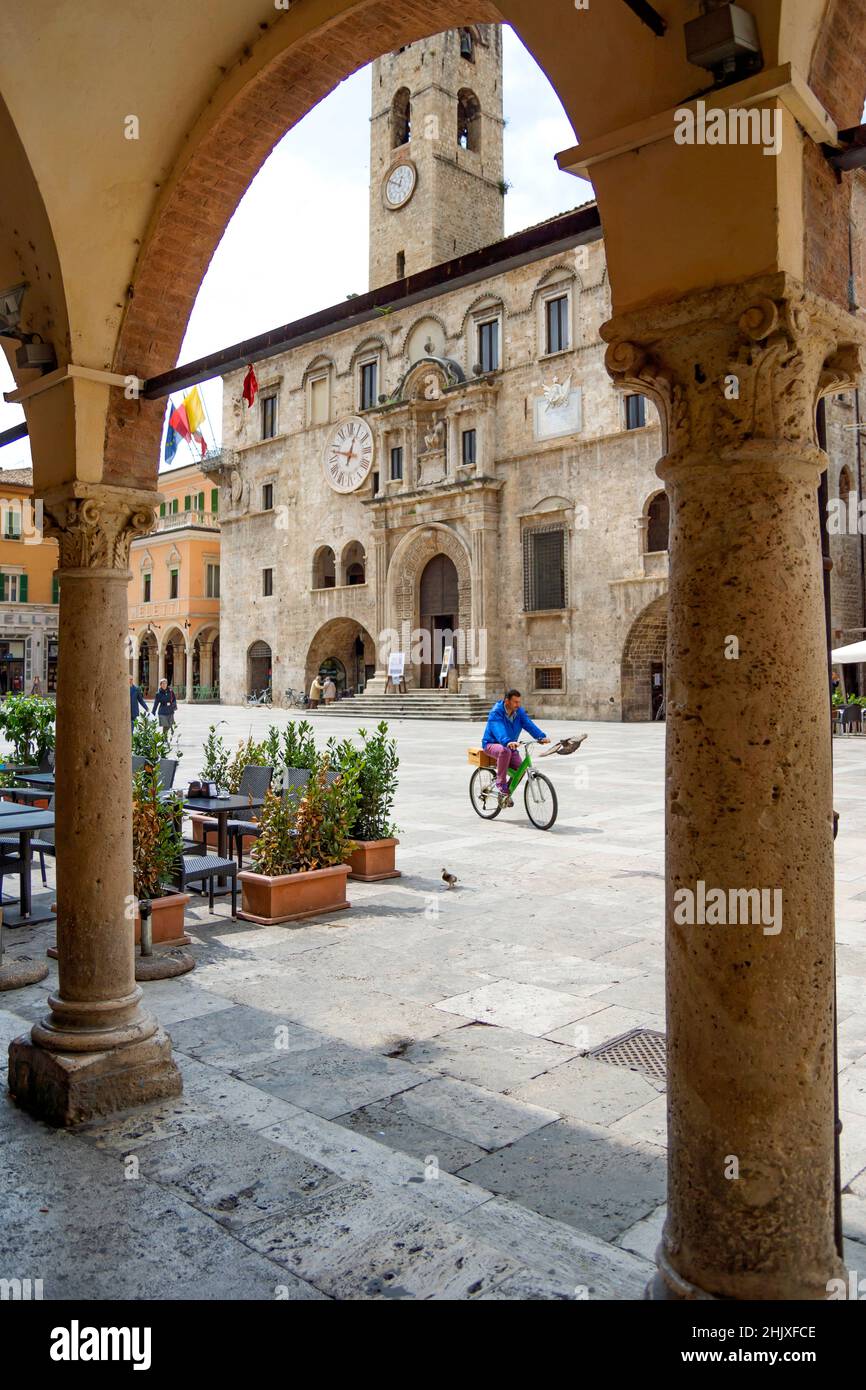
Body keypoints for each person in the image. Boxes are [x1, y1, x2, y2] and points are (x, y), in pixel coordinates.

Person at [482, 688, 549, 804]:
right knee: (504, 751)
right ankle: (501, 784)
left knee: (521, 769)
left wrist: (541, 736)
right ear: (507, 701)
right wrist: (507, 741)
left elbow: (529, 724)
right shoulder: (496, 712)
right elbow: (498, 729)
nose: (518, 704)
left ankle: (506, 794)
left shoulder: (519, 712)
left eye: (519, 702)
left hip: (510, 746)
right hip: (491, 744)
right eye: (515, 702)